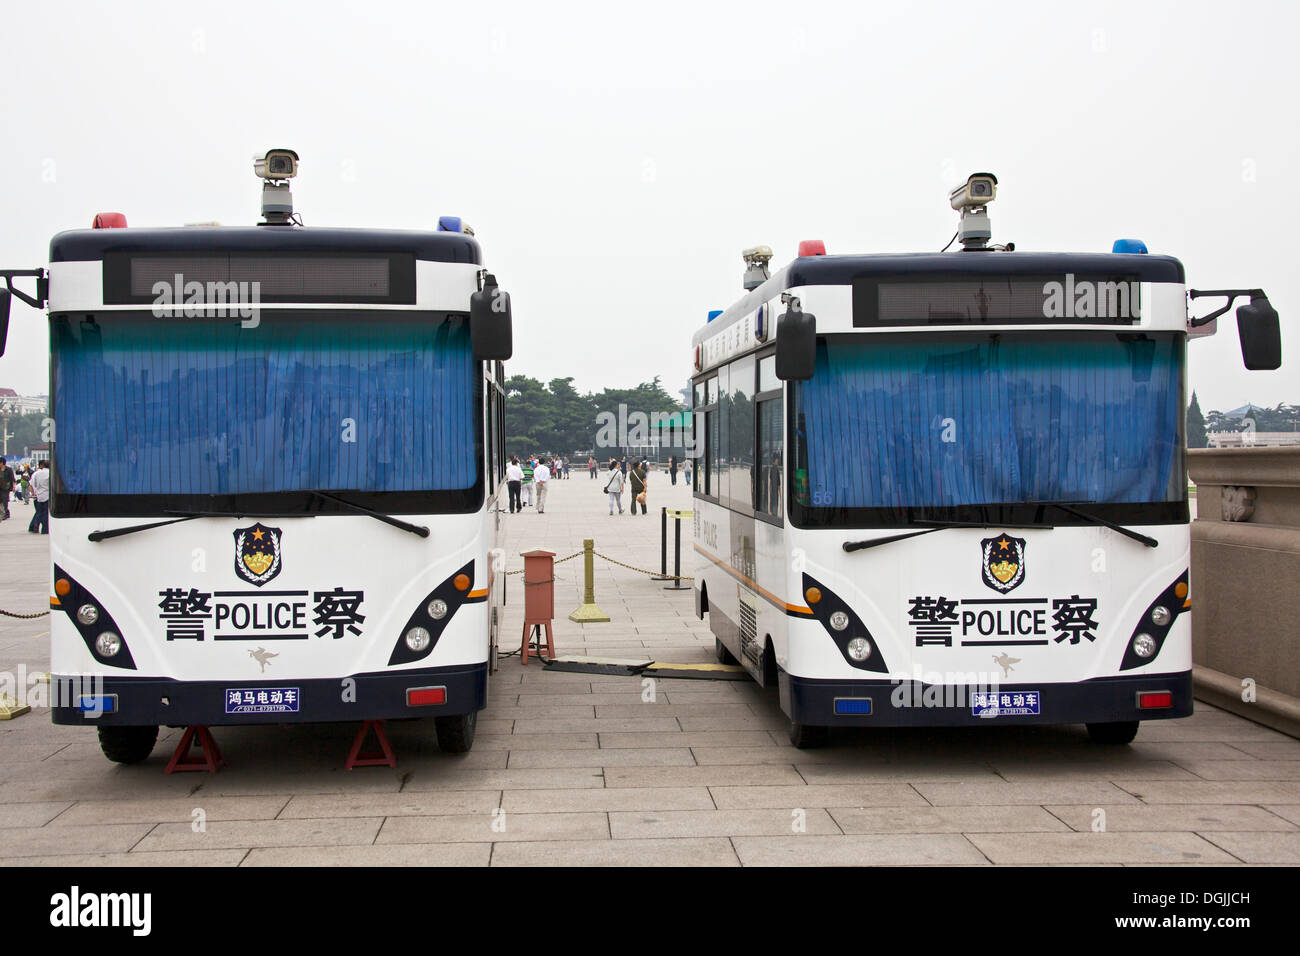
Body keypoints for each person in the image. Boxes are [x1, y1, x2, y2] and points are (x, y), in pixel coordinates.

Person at [28, 459, 50, 534]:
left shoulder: (36, 473)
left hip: (38, 496)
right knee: (46, 513)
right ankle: (45, 529)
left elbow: (31, 484)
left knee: (39, 512)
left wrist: (33, 493)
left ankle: (35, 526)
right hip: (47, 495)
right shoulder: (50, 473)